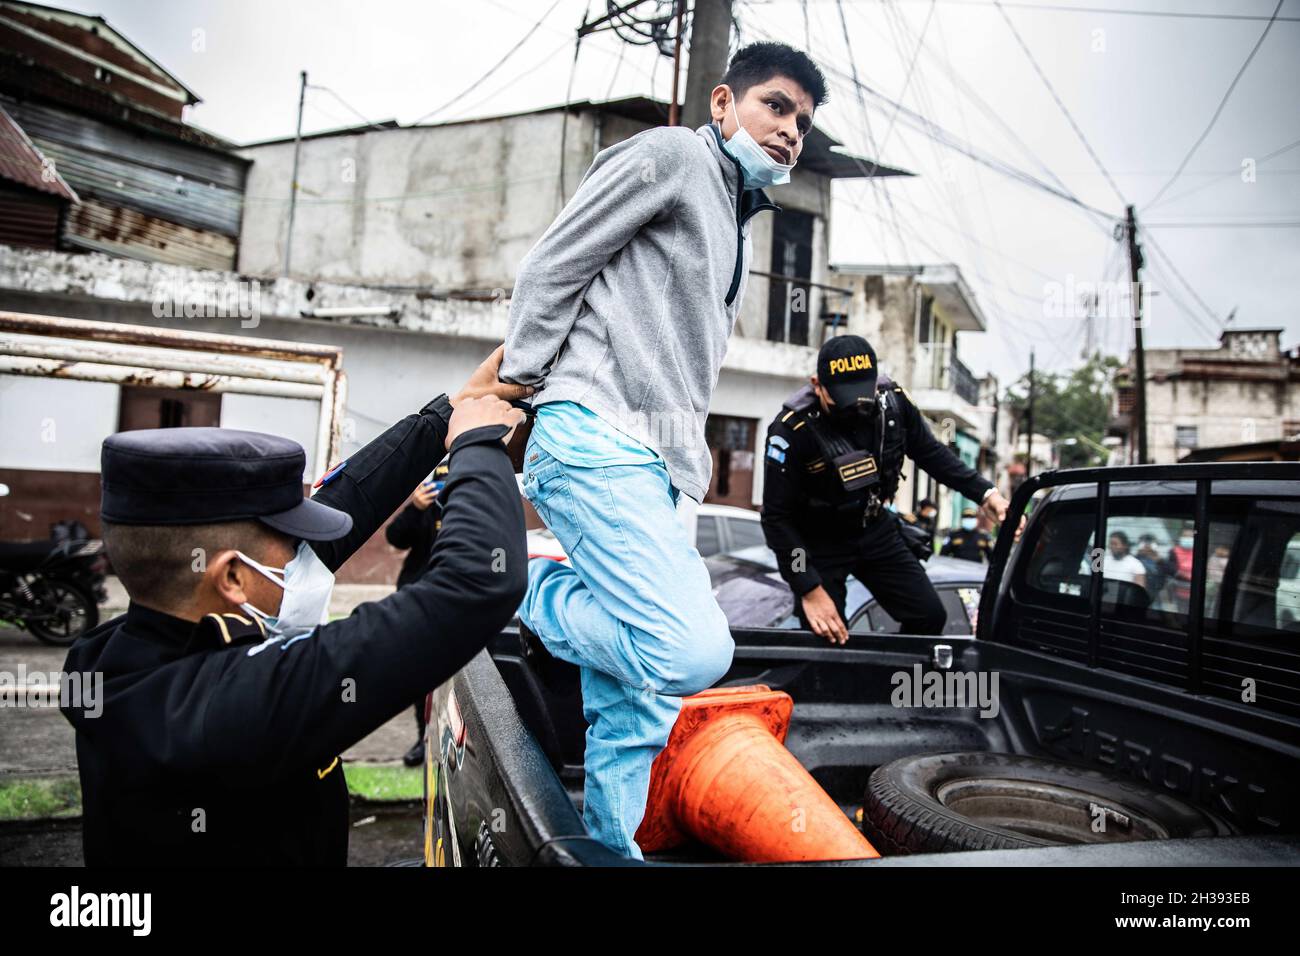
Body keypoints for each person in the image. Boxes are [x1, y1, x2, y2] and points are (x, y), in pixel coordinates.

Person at [499, 42, 829, 860]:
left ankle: (611, 851)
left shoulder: (735, 210)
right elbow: (554, 263)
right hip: (597, 431)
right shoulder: (676, 155)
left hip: (662, 462)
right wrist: (521, 383)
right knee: (688, 652)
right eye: (776, 106)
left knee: (638, 699)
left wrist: (694, 460)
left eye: (803, 123)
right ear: (723, 104)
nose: (791, 131)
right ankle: (524, 595)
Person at [60, 349, 529, 866]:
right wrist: (477, 445)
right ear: (233, 578)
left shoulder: (124, 656)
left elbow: (339, 513)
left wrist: (448, 414)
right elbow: (473, 586)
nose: (304, 558)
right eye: (290, 544)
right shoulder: (231, 705)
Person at [761, 335, 1011, 645]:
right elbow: (776, 517)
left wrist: (987, 494)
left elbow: (932, 454)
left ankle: (893, 686)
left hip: (875, 527)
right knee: (826, 637)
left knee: (929, 615)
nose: (855, 408)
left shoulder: (892, 402)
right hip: (819, 541)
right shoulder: (791, 430)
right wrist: (808, 588)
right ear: (817, 385)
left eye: (861, 396)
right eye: (843, 399)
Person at [384, 463, 448, 766]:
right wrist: (415, 508)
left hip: (455, 604)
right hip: (418, 597)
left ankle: (450, 742)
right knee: (420, 677)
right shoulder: (426, 509)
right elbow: (395, 538)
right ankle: (423, 740)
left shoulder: (469, 509)